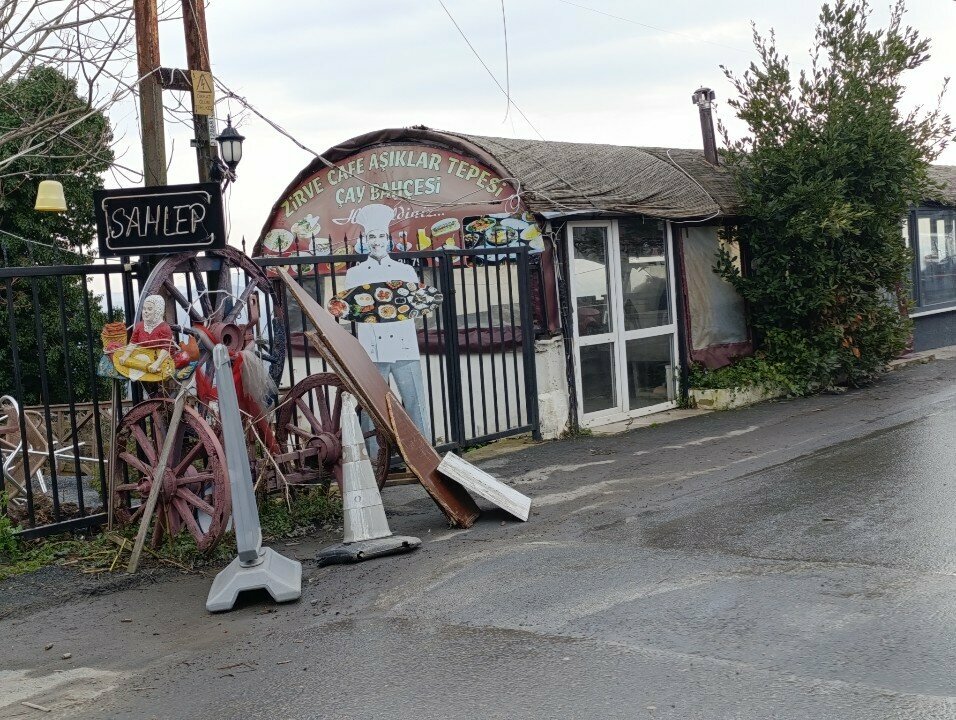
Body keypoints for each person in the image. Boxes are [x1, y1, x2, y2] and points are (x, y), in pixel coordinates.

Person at [345, 204, 431, 444]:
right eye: (372, 237)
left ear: (388, 239)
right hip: (372, 349)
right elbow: (351, 309)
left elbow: (416, 304)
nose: (376, 242)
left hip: (404, 346)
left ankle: (425, 454)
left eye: (381, 237)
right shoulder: (355, 274)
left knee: (415, 403)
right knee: (373, 408)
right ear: (365, 240)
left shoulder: (406, 271)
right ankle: (375, 459)